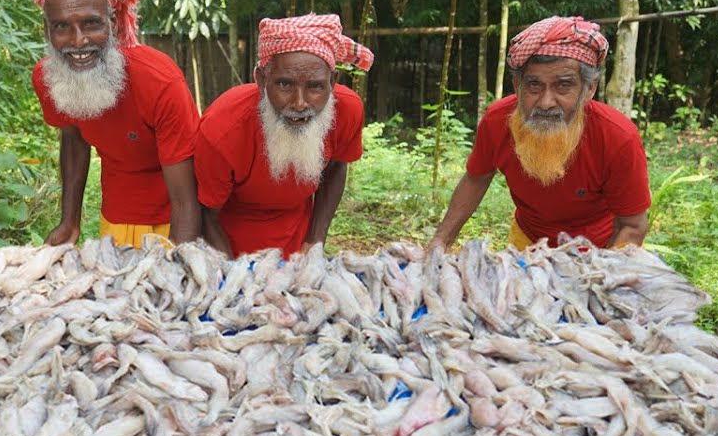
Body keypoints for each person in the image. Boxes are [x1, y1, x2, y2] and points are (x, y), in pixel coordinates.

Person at [427, 16, 651, 252]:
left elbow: (632, 226)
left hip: (598, 249)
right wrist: (441, 241)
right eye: (534, 85)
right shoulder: (497, 121)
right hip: (527, 242)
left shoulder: (617, 136)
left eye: (563, 85)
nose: (545, 102)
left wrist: (602, 270)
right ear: (517, 86)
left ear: (589, 89)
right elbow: (476, 178)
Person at [31, 0, 201, 247]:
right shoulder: (48, 78)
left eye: (91, 23)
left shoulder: (158, 80)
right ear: (46, 29)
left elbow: (186, 199)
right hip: (118, 212)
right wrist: (69, 221)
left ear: (113, 23)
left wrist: (181, 254)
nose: (78, 41)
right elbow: (73, 138)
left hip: (176, 217)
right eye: (62, 26)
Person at [193, 13, 373, 258]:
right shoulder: (222, 128)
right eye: (285, 85)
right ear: (261, 80)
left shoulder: (348, 110)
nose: (299, 104)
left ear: (332, 81)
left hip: (298, 235)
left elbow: (336, 167)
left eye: (315, 86)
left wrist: (315, 240)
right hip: (229, 239)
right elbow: (206, 212)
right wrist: (231, 270)